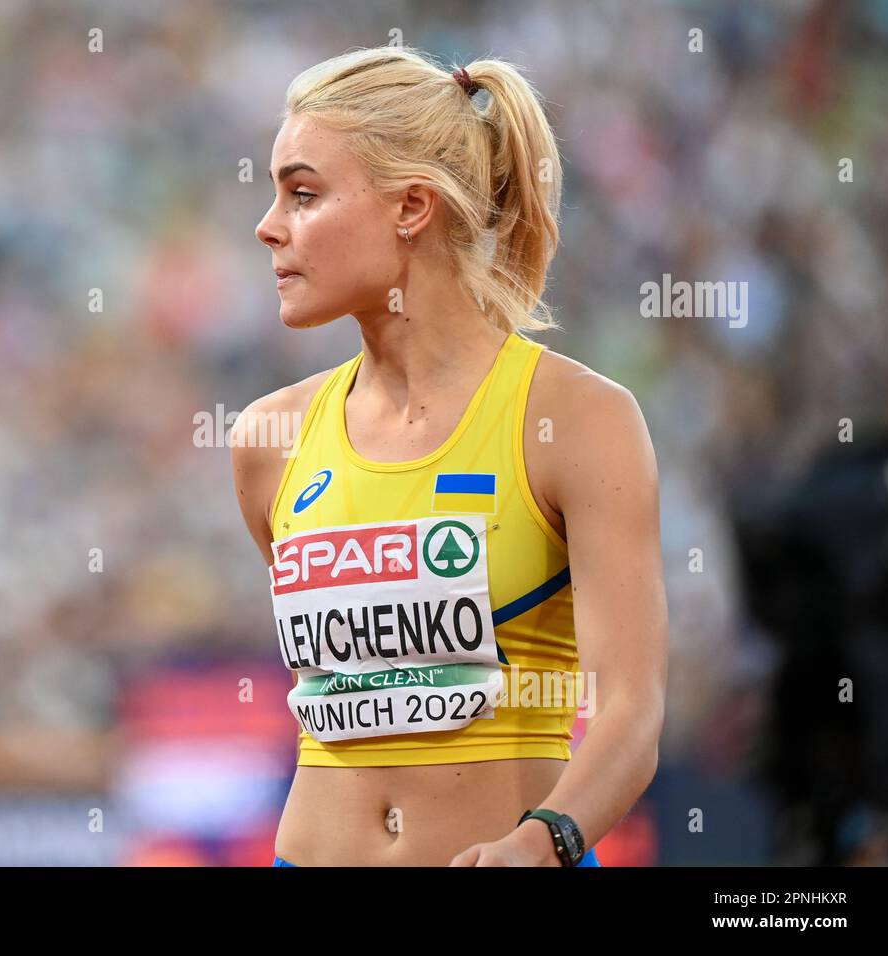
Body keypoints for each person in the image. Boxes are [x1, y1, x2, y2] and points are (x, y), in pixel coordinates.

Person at [230, 46, 668, 866]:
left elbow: (630, 714)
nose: (268, 225)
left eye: (303, 193)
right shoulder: (266, 438)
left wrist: (545, 842)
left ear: (411, 207)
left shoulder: (579, 419)